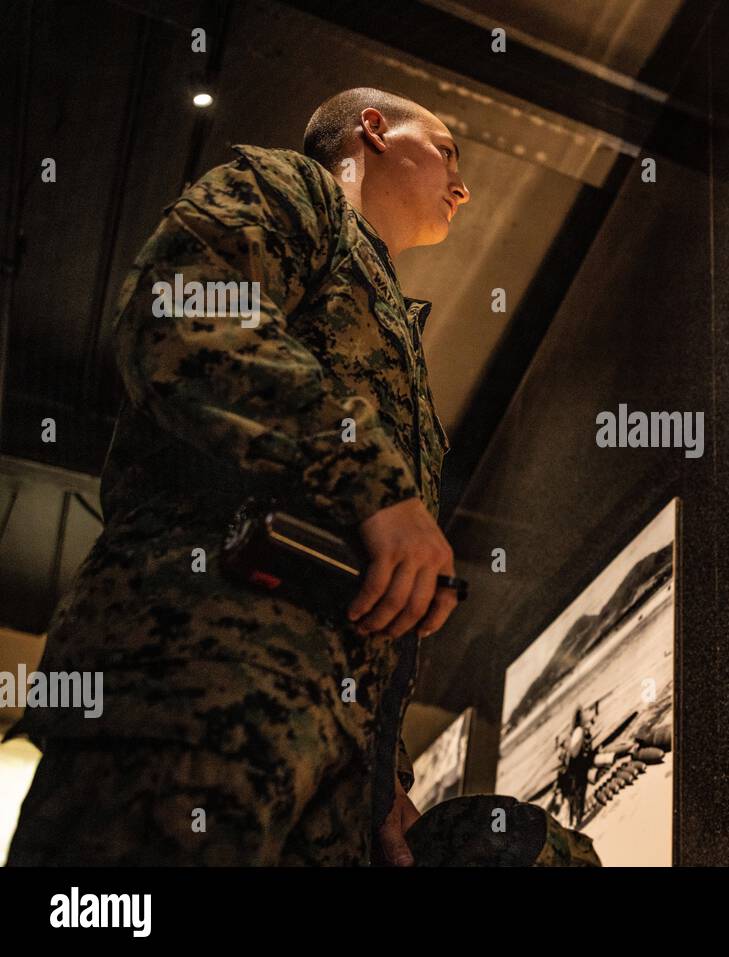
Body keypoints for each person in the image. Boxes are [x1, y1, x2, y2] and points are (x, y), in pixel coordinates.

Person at [5, 87, 470, 864]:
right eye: (448, 149)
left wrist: (381, 771)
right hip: (199, 675)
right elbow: (181, 314)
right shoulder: (291, 192)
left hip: (328, 769)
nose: (462, 184)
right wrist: (374, 482)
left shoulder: (392, 314)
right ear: (375, 129)